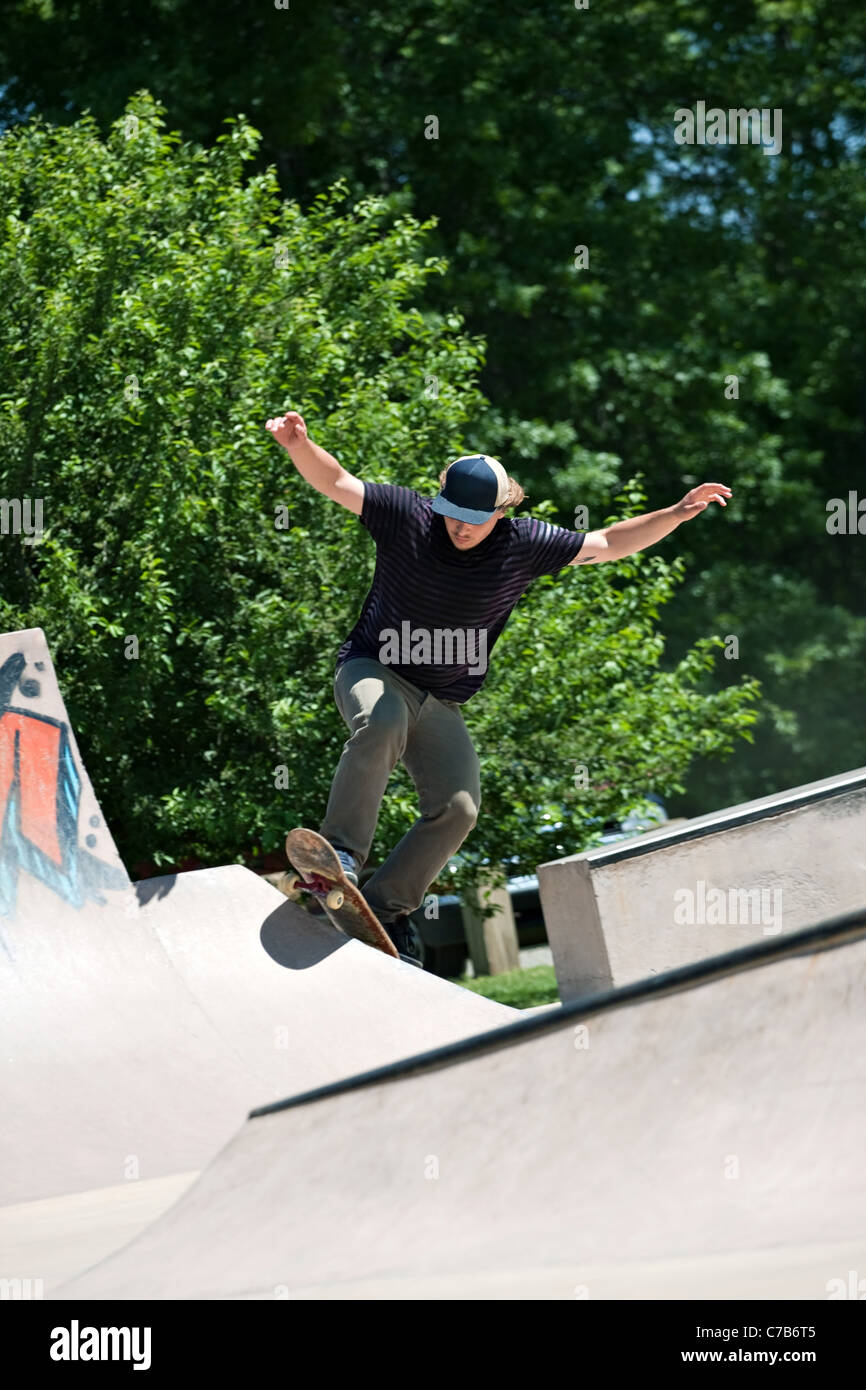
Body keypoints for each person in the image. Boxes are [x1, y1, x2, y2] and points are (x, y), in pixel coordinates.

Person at [266, 409, 731, 964]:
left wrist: (676, 514)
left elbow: (607, 542)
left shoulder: (525, 543)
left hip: (440, 701)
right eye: (452, 515)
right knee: (382, 721)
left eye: (473, 519)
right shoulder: (405, 515)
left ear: (502, 510)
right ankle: (340, 855)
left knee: (458, 808)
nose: (460, 527)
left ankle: (387, 908)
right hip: (373, 668)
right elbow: (337, 482)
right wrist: (299, 446)